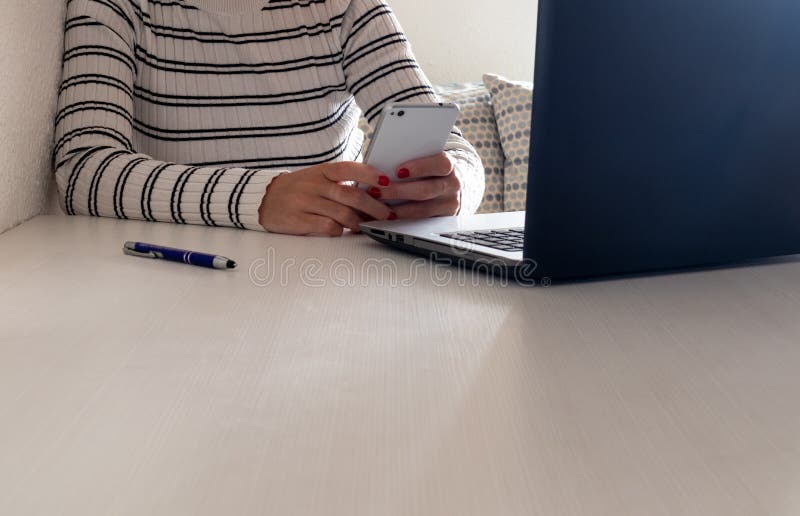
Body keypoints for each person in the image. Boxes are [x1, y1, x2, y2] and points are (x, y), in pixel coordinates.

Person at [54, 0, 485, 236]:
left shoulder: (349, 8)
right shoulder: (116, 7)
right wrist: (262, 197)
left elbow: (456, 150)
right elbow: (83, 170)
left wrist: (456, 185)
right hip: (176, 285)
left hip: (329, 292)